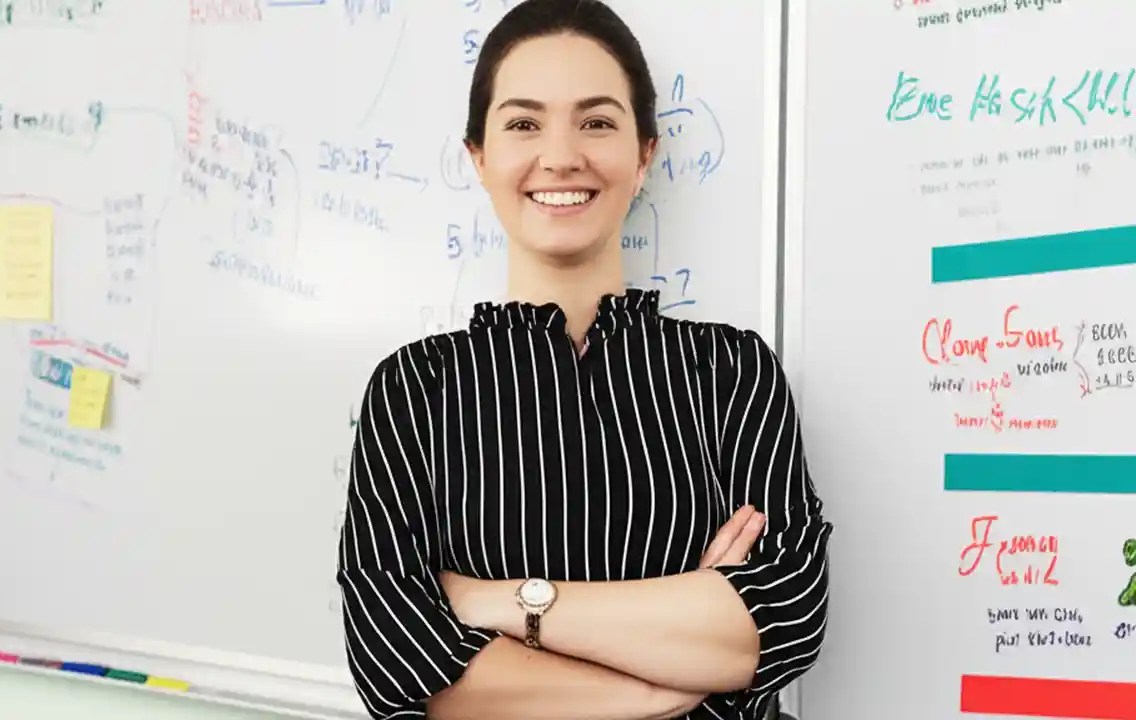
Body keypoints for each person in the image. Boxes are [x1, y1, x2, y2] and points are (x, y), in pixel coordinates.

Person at [335, 1, 832, 718]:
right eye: (523, 124)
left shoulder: (730, 372)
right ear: (479, 156)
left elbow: (786, 614)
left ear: (644, 154)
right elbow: (396, 659)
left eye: (596, 122)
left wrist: (502, 602)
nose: (562, 156)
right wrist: (667, 680)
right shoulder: (415, 389)